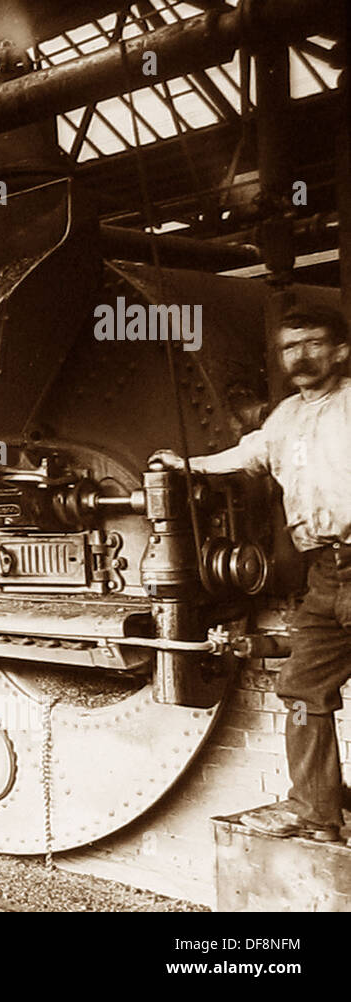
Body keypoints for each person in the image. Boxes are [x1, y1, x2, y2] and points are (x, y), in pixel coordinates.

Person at [151, 303, 351, 841]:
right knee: (304, 687)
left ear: (341, 351)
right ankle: (317, 811)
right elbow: (249, 455)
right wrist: (186, 465)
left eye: (312, 344)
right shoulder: (285, 416)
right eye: (290, 347)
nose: (300, 357)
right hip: (326, 574)